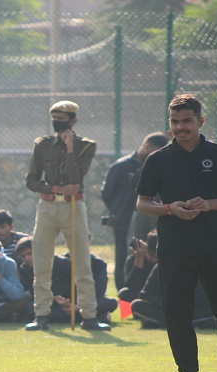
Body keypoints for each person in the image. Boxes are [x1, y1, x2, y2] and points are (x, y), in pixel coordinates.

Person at [136, 94, 217, 372]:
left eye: (187, 120)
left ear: (200, 121)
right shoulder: (158, 158)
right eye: (175, 121)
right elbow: (143, 203)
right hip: (174, 249)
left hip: (216, 247)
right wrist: (169, 209)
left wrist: (209, 204)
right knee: (177, 314)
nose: (181, 127)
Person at [24, 100, 108, 331]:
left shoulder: (86, 145)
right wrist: (56, 190)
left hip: (74, 207)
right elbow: (31, 180)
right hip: (47, 207)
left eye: (62, 119)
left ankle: (89, 317)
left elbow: (76, 178)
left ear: (74, 120)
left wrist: (70, 148)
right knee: (42, 263)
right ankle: (41, 316)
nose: (57, 123)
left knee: (82, 262)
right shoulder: (42, 144)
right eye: (55, 119)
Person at [101, 132, 168, 289]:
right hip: (123, 219)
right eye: (156, 151)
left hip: (148, 218)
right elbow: (107, 194)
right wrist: (117, 212)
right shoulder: (121, 166)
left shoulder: (160, 167)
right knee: (124, 257)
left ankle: (146, 294)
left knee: (150, 256)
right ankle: (124, 297)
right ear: (147, 147)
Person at [14, 236, 116, 325]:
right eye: (23, 256)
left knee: (110, 302)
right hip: (55, 305)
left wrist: (76, 306)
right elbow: (34, 293)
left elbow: (88, 288)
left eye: (30, 254)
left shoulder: (63, 263)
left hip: (79, 301)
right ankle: (86, 317)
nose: (27, 258)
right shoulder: (25, 270)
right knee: (31, 307)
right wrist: (54, 298)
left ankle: (80, 316)